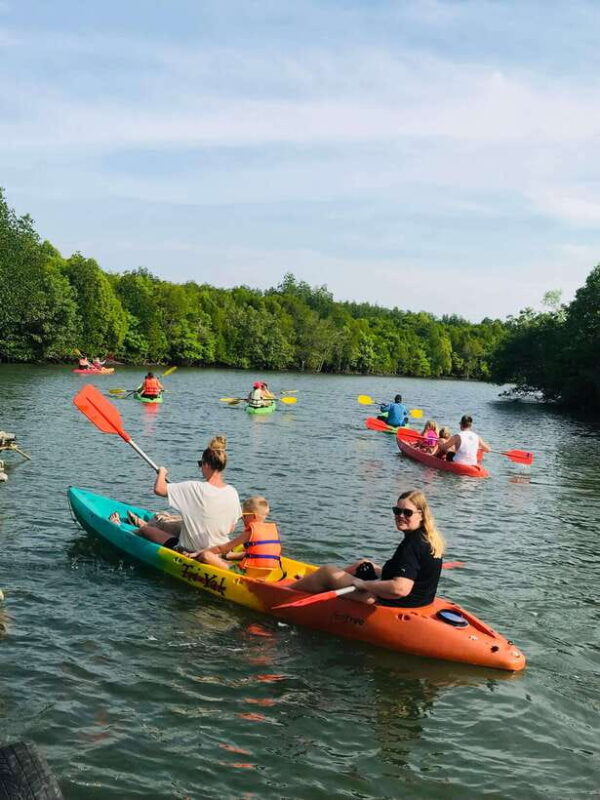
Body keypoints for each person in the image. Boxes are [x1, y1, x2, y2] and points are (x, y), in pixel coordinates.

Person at [288, 490, 445, 607]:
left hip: (389, 600)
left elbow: (400, 589)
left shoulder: (412, 545)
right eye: (397, 511)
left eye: (407, 512)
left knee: (327, 571)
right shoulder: (428, 537)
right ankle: (319, 585)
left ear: (421, 515)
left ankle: (287, 591)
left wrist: (364, 585)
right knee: (363, 564)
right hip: (418, 600)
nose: (400, 515)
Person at [110, 436, 242, 553]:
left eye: (200, 464)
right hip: (219, 550)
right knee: (179, 524)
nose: (200, 468)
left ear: (206, 465)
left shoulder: (194, 488)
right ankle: (146, 522)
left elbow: (159, 489)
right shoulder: (233, 492)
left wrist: (162, 472)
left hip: (189, 550)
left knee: (146, 530)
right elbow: (231, 528)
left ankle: (121, 530)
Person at [190, 495, 282, 577]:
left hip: (245, 573)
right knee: (242, 551)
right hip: (265, 574)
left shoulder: (250, 532)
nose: (242, 519)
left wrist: (199, 552)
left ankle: (222, 558)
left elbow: (222, 548)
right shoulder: (274, 530)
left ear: (253, 516)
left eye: (244, 516)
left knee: (206, 555)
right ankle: (228, 557)